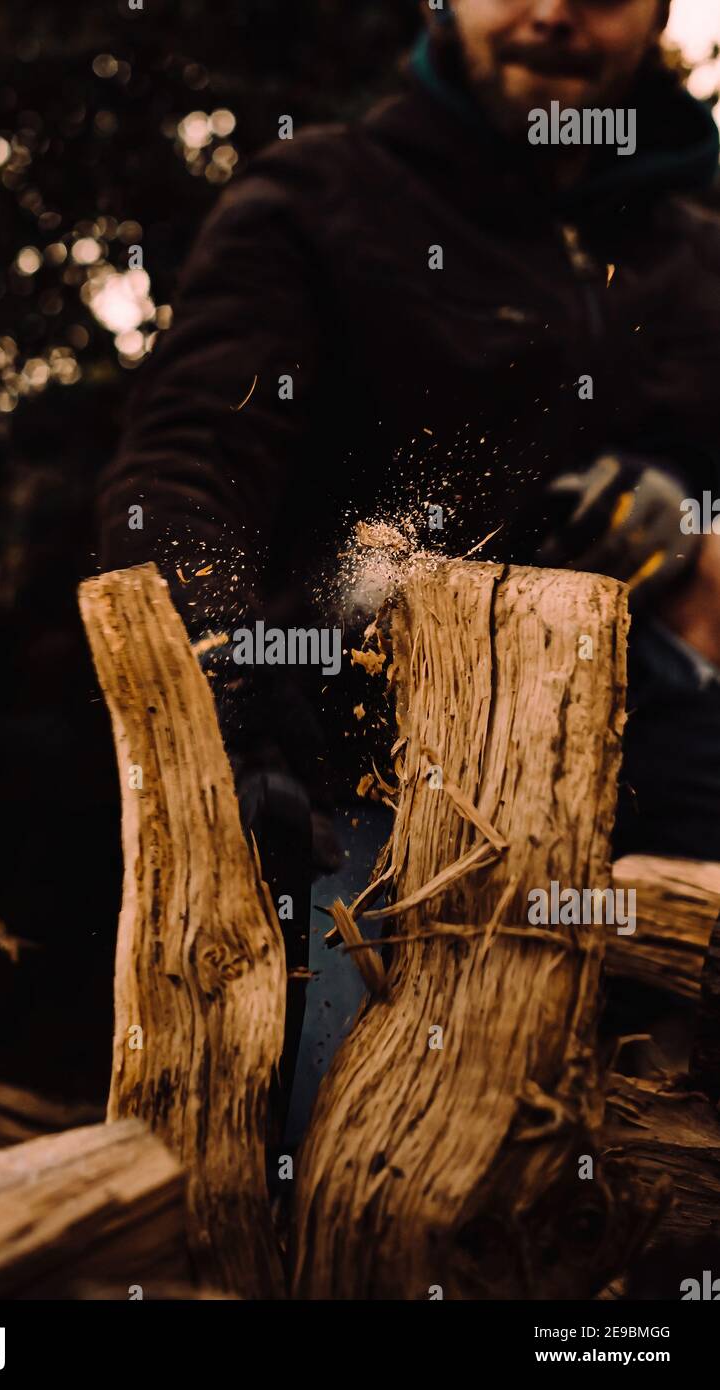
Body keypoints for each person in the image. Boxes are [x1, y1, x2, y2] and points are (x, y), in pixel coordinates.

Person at [98, 0, 720, 1125]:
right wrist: (217, 671)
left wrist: (688, 516)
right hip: (377, 800)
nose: (552, 12)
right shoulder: (319, 199)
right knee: (364, 1132)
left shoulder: (692, 244)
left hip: (672, 793)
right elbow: (189, 457)